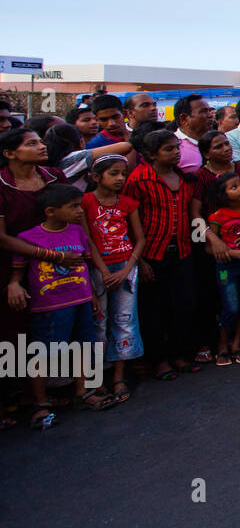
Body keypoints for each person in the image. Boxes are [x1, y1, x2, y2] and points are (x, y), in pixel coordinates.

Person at [122, 129, 229, 379]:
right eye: (168, 149)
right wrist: (141, 261)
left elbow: (194, 215)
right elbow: (128, 221)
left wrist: (206, 239)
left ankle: (179, 355)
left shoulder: (183, 179)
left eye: (176, 148)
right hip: (151, 255)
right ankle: (159, 361)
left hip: (182, 251)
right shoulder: (138, 180)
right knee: (154, 310)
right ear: (150, 154)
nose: (175, 153)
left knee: (184, 305)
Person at [9, 184, 110, 425]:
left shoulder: (77, 233)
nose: (79, 211)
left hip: (81, 299)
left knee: (85, 346)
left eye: (80, 206)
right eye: (73, 207)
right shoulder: (29, 238)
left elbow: (83, 266)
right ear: (51, 211)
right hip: (50, 305)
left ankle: (83, 391)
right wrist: (14, 284)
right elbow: (18, 271)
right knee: (44, 353)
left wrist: (92, 296)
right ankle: (41, 402)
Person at [83, 155, 145, 403]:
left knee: (125, 320)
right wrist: (104, 271)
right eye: (114, 173)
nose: (120, 178)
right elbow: (87, 240)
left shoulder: (128, 203)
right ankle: (95, 379)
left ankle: (119, 376)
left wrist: (126, 268)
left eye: (123, 173)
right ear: (96, 177)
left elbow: (139, 239)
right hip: (99, 270)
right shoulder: (86, 202)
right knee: (98, 323)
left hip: (125, 268)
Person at [206, 172, 240, 365]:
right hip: (228, 266)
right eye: (234, 187)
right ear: (223, 194)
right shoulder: (218, 217)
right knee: (231, 306)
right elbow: (209, 247)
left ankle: (236, 344)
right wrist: (235, 253)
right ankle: (222, 346)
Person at [172, 94, 214, 174]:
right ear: (184, 118)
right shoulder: (174, 147)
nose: (210, 115)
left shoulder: (217, 140)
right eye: (203, 112)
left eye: (209, 111)